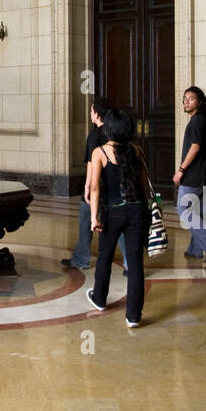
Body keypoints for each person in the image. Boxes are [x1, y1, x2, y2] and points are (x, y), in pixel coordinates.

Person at [85, 107, 151, 327]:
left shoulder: (100, 153)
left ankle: (100, 299)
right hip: (137, 210)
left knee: (104, 255)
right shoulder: (137, 151)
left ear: (110, 129)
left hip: (113, 212)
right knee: (135, 263)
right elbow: (142, 185)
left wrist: (94, 217)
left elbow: (95, 189)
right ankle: (133, 315)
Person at [62, 97, 127, 274]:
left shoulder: (95, 135)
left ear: (97, 114)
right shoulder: (114, 132)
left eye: (91, 111)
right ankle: (129, 263)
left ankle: (81, 258)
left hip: (99, 186)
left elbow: (92, 163)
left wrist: (87, 189)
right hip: (117, 188)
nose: (90, 114)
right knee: (119, 225)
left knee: (86, 221)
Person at [175, 86, 206, 262]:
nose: (186, 101)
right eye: (184, 98)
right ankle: (195, 249)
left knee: (183, 209)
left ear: (199, 101)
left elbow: (195, 147)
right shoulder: (203, 120)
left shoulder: (195, 122)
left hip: (193, 176)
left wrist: (180, 170)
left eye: (191, 98)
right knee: (197, 212)